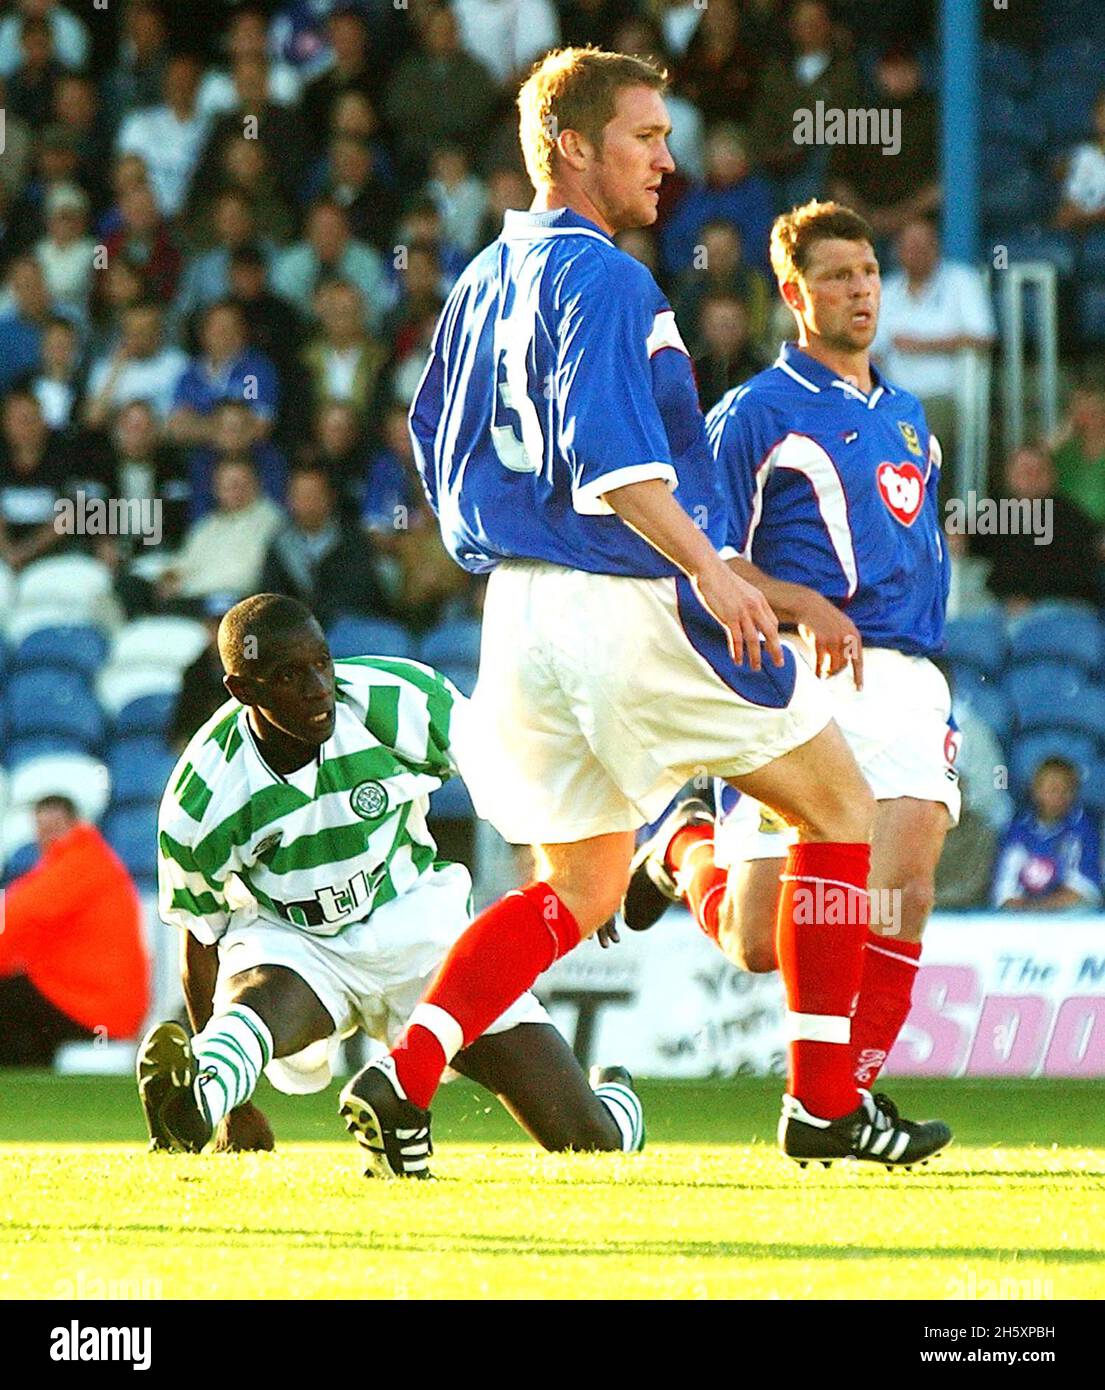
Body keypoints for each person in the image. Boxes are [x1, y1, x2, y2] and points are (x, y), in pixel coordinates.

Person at [341, 48, 950, 1176]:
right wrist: (713, 571)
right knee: (837, 804)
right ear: (573, 147)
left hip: (513, 612)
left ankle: (404, 1072)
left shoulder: (478, 281)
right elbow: (618, 469)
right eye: (644, 137)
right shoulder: (610, 279)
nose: (667, 161)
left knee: (572, 886)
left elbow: (429, 442)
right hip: (616, 591)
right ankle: (822, 1105)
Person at [621, 199, 960, 1098]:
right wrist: (803, 602)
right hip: (804, 675)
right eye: (838, 275)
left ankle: (844, 1103)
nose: (860, 291)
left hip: (907, 677)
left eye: (870, 272)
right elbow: (709, 554)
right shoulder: (753, 413)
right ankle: (679, 844)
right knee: (761, 939)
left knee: (903, 897)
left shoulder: (908, 413)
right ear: (792, 291)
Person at [139, 593, 644, 1165]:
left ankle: (616, 1100)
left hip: (419, 929)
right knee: (255, 1001)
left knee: (590, 1143)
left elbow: (515, 776)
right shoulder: (200, 795)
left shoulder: (397, 697)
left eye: (321, 663)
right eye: (288, 676)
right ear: (243, 691)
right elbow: (199, 940)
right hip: (301, 948)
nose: (317, 687)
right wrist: (239, 1109)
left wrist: (575, 877)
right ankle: (203, 1098)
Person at [0, 795, 149, 1065]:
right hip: (94, 1004)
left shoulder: (80, 864)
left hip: (95, 1010)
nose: (49, 838)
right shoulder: (86, 863)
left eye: (54, 828)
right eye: (43, 830)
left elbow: (16, 917)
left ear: (75, 824)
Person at [992, 758, 1102, 912]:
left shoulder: (1084, 829)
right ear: (1035, 790)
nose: (1059, 797)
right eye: (1052, 789)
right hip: (1021, 923)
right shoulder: (1017, 831)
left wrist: (1036, 909)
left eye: (1066, 790)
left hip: (1072, 922)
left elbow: (1086, 893)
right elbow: (1004, 895)